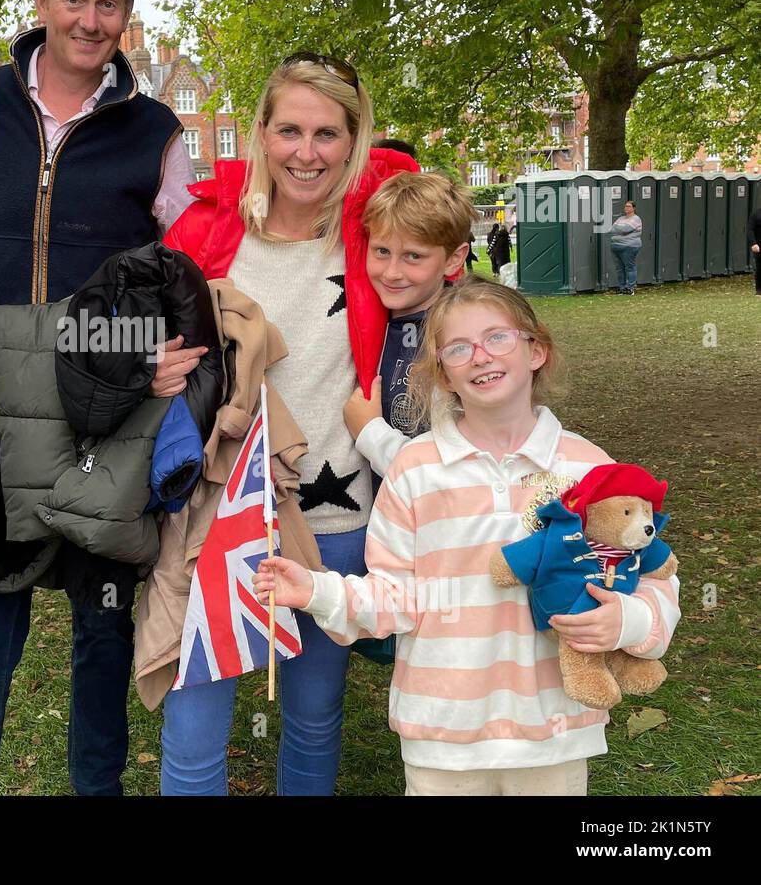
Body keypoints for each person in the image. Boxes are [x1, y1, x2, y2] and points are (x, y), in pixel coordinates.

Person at [0, 0, 197, 797]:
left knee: (103, 635)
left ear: (125, 15)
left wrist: (160, 360)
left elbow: (182, 270)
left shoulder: (154, 129)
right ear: (41, 3)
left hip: (105, 417)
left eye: (107, 2)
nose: (89, 18)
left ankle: (98, 788)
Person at [254, 277, 681, 796]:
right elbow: (394, 596)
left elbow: (655, 577)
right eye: (458, 348)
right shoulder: (414, 471)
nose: (480, 356)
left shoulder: (591, 468)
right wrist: (317, 589)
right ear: (443, 373)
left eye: (497, 337)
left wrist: (627, 620)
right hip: (442, 736)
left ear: (536, 350)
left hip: (554, 733)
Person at [145, 52, 418, 795]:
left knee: (314, 715)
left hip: (337, 515)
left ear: (354, 141)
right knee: (195, 723)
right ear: (260, 133)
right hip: (217, 513)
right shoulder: (203, 230)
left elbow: (443, 311)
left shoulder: (380, 236)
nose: (307, 152)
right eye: (290, 129)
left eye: (328, 133)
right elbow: (143, 343)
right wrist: (153, 369)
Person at [344, 171, 472, 473]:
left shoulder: (464, 338)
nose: (391, 272)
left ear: (454, 259)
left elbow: (458, 470)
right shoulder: (364, 318)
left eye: (413, 256)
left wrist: (369, 431)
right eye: (382, 251)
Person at [610, 200, 642, 295]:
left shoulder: (636, 219)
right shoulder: (621, 218)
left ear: (633, 208)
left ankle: (630, 288)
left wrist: (619, 228)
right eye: (625, 206)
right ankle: (622, 288)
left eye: (629, 206)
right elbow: (612, 229)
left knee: (629, 267)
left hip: (629, 246)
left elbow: (625, 229)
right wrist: (621, 229)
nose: (626, 208)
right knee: (619, 268)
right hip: (616, 246)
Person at [487, 211, 513, 276]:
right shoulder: (507, 235)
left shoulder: (497, 235)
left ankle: (499, 273)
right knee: (506, 262)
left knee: (499, 263)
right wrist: (511, 248)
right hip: (506, 251)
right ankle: (507, 273)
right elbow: (510, 242)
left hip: (498, 251)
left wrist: (488, 250)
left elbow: (493, 243)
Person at [747, 196, 761, 295]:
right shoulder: (756, 214)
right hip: (759, 246)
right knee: (760, 268)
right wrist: (753, 243)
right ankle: (759, 290)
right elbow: (750, 230)